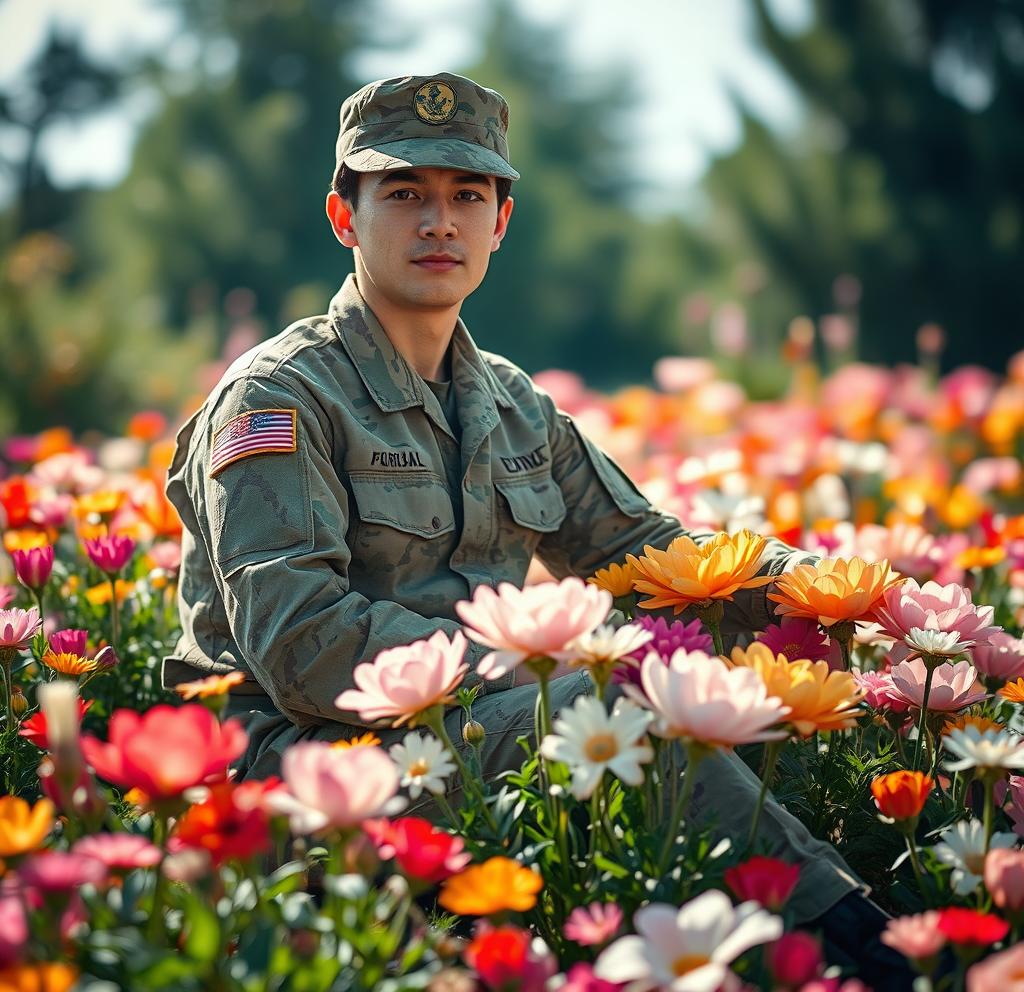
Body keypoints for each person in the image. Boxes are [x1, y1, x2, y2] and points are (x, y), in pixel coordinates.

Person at [162, 71, 910, 985]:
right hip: (299, 767)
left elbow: (642, 546)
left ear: (500, 224)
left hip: (475, 731)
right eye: (405, 193)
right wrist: (526, 666)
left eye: (467, 196)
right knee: (631, 727)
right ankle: (876, 955)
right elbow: (300, 641)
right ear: (343, 217)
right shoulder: (279, 396)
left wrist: (831, 589)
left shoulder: (511, 403)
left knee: (739, 706)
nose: (440, 223)